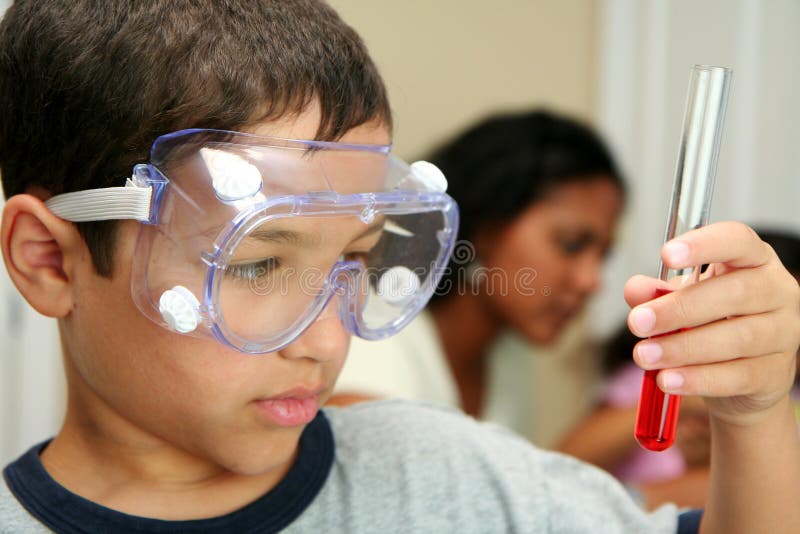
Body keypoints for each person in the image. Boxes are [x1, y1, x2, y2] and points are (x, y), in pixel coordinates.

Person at [0, 2, 799, 533]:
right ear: (48, 260)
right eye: (257, 264)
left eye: (354, 257)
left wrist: (755, 415)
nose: (322, 342)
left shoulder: (446, 477)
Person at [332, 110, 624, 437]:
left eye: (604, 255)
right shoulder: (375, 332)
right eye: (571, 244)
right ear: (487, 226)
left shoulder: (510, 355)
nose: (591, 281)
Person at [558, 228, 800, 510]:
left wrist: (721, 455)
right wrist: (687, 400)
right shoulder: (652, 373)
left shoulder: (788, 403)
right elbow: (569, 457)